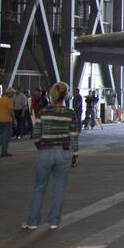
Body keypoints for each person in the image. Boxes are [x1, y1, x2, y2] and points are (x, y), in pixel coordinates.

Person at [23, 82, 80, 230]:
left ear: (52, 94)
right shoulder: (70, 113)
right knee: (59, 187)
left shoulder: (43, 112)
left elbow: (36, 135)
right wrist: (75, 154)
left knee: (39, 187)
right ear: (66, 95)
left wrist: (41, 147)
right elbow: (74, 135)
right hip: (64, 152)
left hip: (45, 151)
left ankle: (32, 221)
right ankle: (54, 221)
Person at [0, 88, 15, 156]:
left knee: (1, 135)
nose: (13, 94)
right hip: (7, 121)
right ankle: (3, 152)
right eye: (12, 93)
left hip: (0, 120)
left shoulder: (0, 99)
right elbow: (10, 111)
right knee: (6, 137)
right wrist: (15, 120)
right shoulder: (8, 100)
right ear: (9, 93)